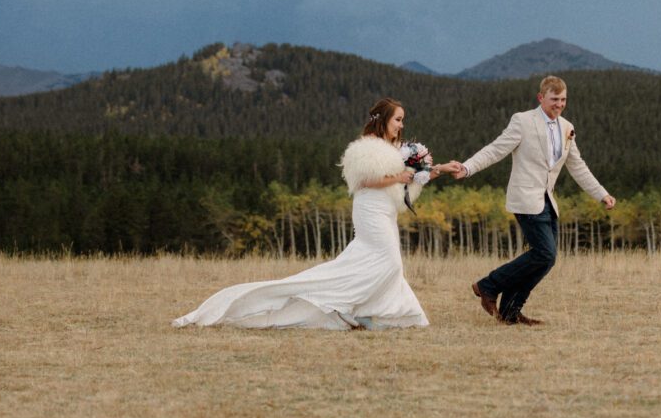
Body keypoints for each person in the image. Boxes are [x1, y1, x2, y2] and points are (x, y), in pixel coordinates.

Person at [172, 98, 449, 330]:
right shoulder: (367, 147)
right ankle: (350, 308)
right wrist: (399, 175)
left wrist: (438, 169)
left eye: (402, 120)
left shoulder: (395, 150)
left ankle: (361, 311)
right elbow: (363, 181)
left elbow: (411, 179)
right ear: (384, 119)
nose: (401, 126)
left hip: (387, 210)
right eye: (398, 120)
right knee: (389, 262)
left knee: (377, 263)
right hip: (370, 209)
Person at [444, 75, 614, 326]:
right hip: (525, 199)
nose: (559, 104)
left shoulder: (567, 128)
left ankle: (511, 311)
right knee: (545, 254)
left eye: (563, 99)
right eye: (554, 99)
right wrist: (468, 168)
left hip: (548, 201)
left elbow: (578, 166)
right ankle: (487, 286)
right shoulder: (523, 121)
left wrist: (601, 193)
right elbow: (495, 149)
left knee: (546, 259)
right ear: (541, 98)